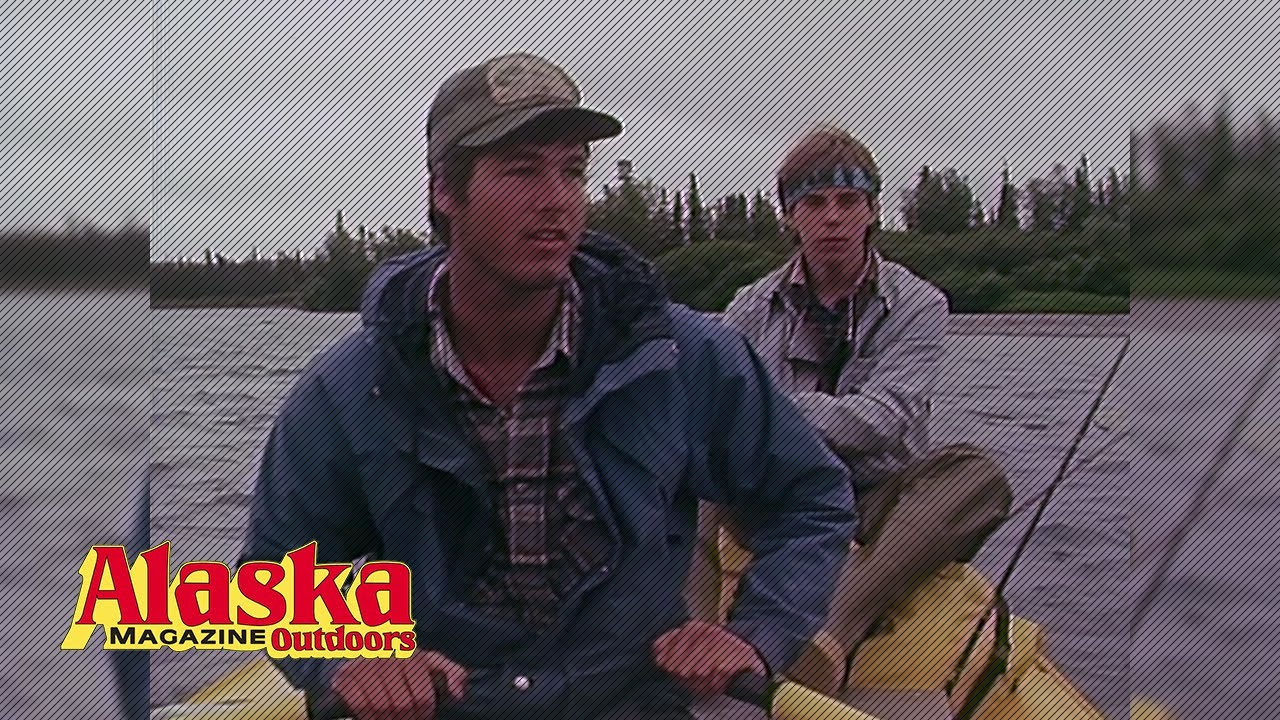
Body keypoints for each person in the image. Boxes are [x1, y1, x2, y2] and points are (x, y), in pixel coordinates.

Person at [239, 52, 857, 720]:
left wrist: (755, 635)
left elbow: (813, 497)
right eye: (522, 169)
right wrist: (346, 653)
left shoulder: (683, 357)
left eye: (572, 170)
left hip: (630, 702)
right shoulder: (348, 389)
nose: (557, 198)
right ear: (446, 190)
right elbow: (271, 575)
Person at [685, 124, 1014, 715]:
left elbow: (886, 421)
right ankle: (689, 630)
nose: (832, 218)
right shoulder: (747, 307)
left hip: (880, 501)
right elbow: (715, 418)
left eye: (848, 202)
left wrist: (768, 414)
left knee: (978, 473)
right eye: (814, 203)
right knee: (695, 464)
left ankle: (828, 633)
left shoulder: (919, 304)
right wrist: (758, 429)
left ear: (872, 210)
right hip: (780, 502)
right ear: (789, 215)